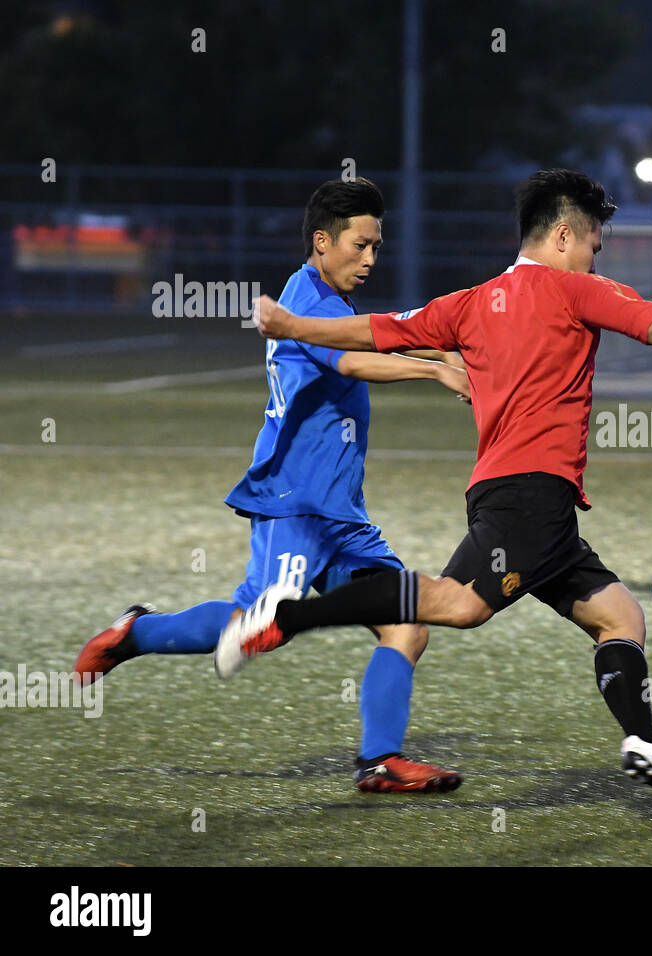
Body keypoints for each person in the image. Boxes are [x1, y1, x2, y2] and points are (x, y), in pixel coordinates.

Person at [214, 169, 652, 805]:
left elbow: (378, 329)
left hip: (518, 496)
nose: (592, 257)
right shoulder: (578, 290)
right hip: (531, 495)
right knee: (458, 605)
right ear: (561, 235)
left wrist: (295, 327)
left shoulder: (469, 302)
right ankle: (289, 616)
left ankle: (644, 742)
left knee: (619, 615)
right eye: (591, 245)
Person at [74, 178, 473, 793]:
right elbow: (357, 360)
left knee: (407, 624)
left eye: (377, 248)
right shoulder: (306, 301)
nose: (371, 259)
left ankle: (380, 761)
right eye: (361, 245)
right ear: (323, 241)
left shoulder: (328, 304)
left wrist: (439, 345)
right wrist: (436, 370)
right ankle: (138, 632)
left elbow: (377, 333)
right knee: (261, 618)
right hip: (294, 504)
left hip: (342, 516)